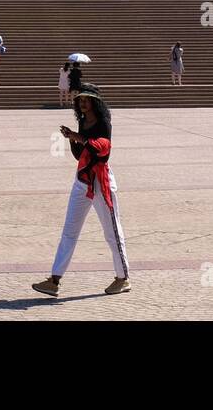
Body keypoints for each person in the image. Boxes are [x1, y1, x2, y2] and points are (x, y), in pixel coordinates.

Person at [32, 85, 130, 297]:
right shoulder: (83, 122)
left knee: (112, 231)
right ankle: (54, 280)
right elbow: (80, 155)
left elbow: (103, 149)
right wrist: (72, 139)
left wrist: (79, 138)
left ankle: (122, 278)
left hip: (101, 181)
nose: (82, 103)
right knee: (69, 231)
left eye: (86, 99)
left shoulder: (104, 122)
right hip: (83, 179)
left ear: (95, 102)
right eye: (80, 100)